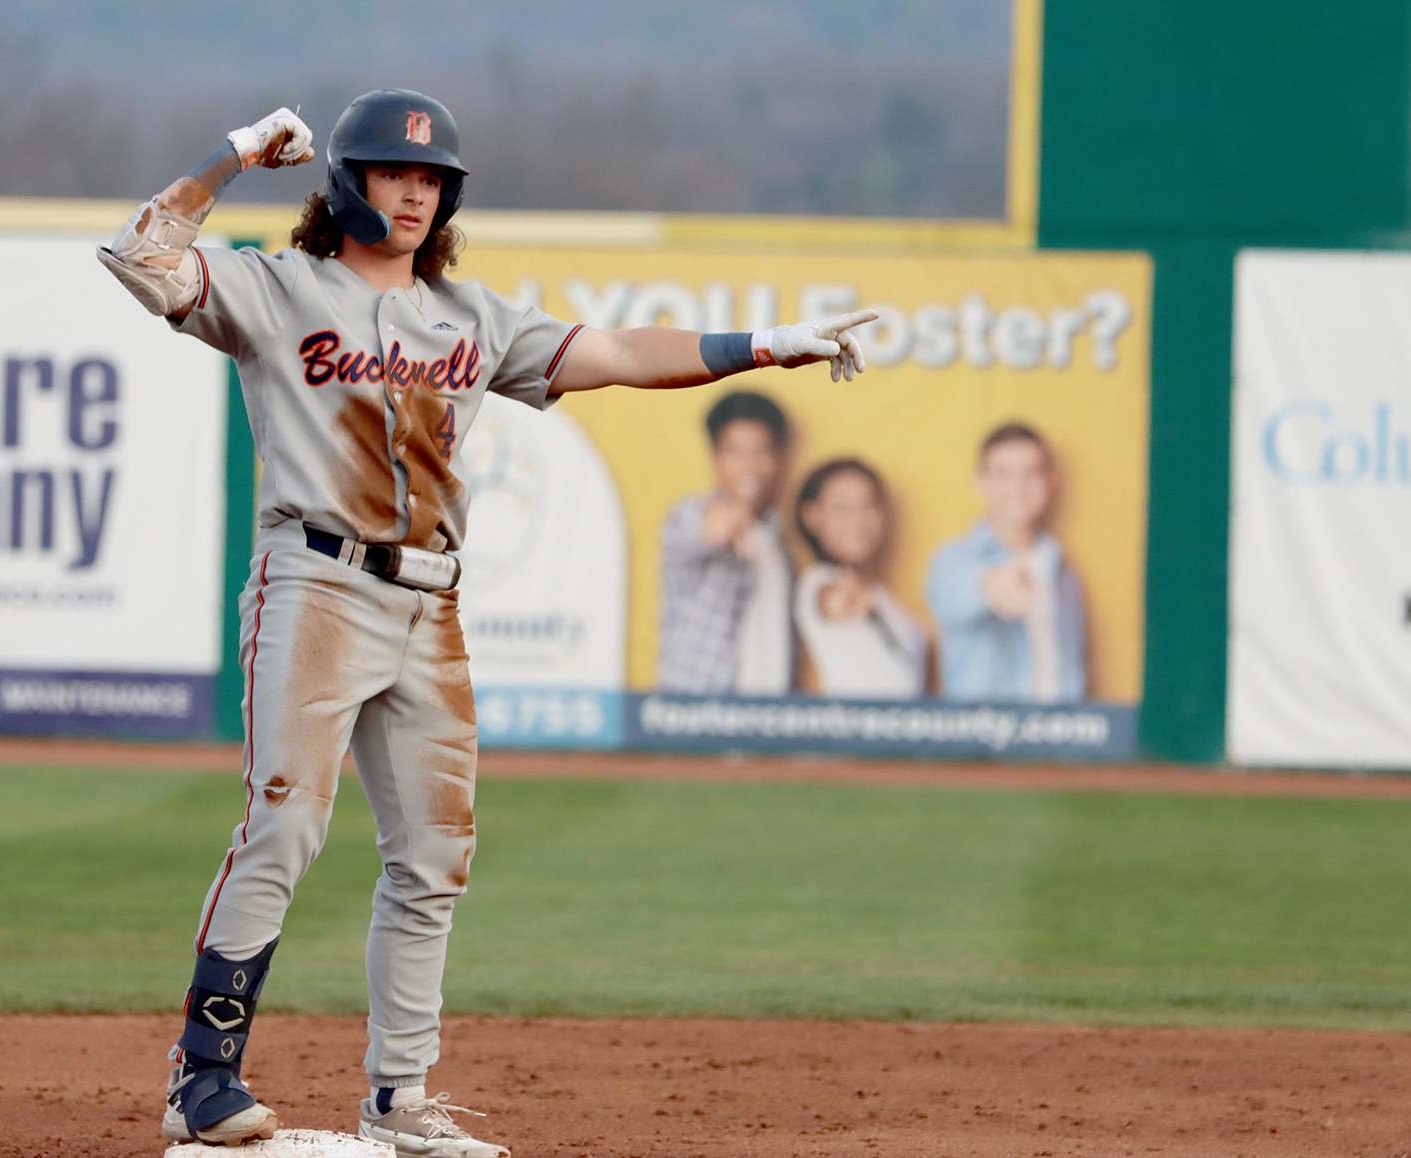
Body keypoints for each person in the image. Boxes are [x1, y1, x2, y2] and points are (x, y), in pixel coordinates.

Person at [97, 89, 875, 1158]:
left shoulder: (469, 318)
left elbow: (618, 353)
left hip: (430, 602)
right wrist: (231, 157)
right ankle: (203, 1077)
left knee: (434, 856)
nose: (416, 193)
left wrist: (766, 344)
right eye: (394, 172)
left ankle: (399, 1098)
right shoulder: (280, 290)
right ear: (345, 184)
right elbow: (140, 259)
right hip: (316, 582)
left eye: (432, 179)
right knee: (284, 826)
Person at [925, 422, 1087, 701]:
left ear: (1049, 480)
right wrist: (990, 584)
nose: (1018, 486)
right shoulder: (953, 558)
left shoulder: (1064, 573)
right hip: (985, 728)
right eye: (1003, 474)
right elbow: (955, 591)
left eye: (1031, 472)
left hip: (1060, 726)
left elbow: (1070, 670)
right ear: (981, 482)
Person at [656, 391, 798, 695]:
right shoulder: (689, 514)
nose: (749, 464)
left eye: (761, 451)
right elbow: (706, 530)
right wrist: (731, 519)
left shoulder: (775, 539)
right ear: (715, 456)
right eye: (736, 452)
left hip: (763, 711)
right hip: (697, 705)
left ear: (777, 459)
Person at [792, 458, 926, 698]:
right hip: (854, 720)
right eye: (841, 509)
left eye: (868, 506)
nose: (858, 521)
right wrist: (842, 600)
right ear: (811, 517)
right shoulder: (818, 581)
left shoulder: (880, 594)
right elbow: (832, 600)